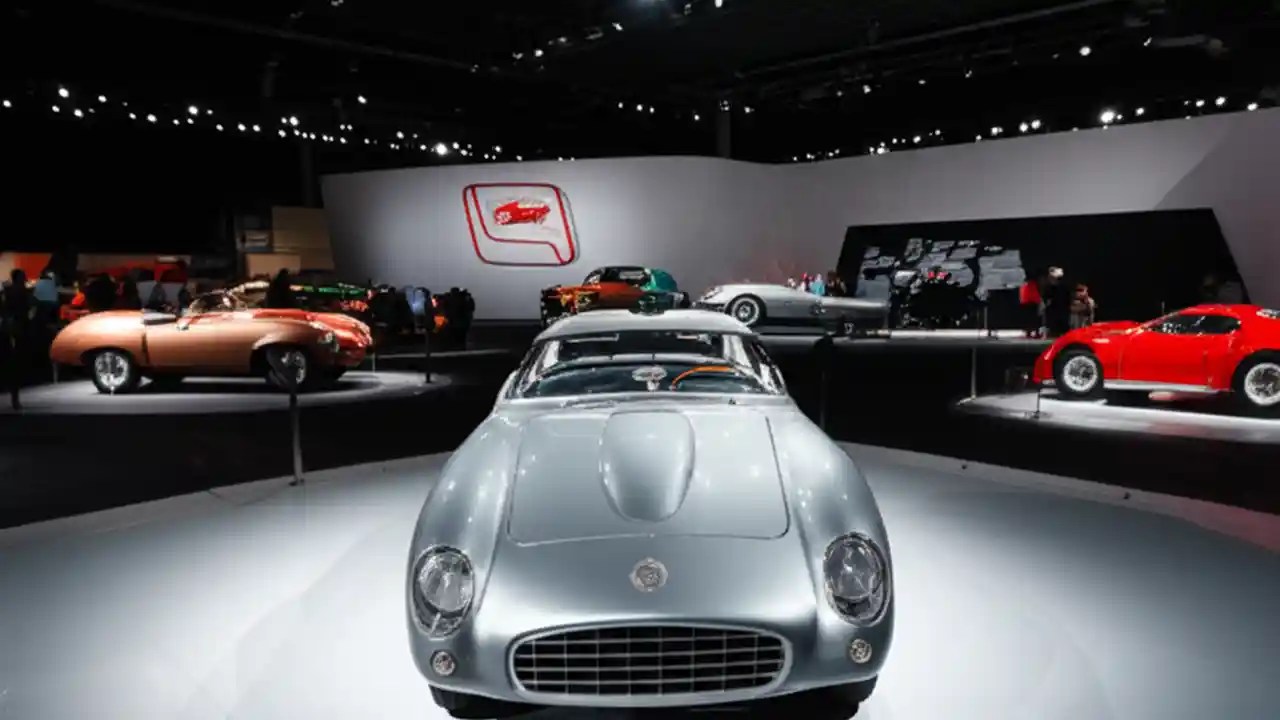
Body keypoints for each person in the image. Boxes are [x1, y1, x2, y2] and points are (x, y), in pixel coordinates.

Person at [1, 269, 34, 410]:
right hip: (18, 329)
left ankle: (14, 397)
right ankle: (15, 398)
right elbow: (31, 306)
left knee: (10, 363)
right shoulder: (23, 291)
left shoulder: (7, 291)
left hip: (9, 329)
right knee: (15, 364)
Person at [1043, 267, 1071, 338]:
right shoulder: (1048, 288)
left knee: (1064, 331)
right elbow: (1046, 300)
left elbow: (1067, 299)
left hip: (1062, 313)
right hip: (1053, 314)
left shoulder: (1064, 288)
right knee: (1054, 333)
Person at [1018, 272, 1044, 338]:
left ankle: (1029, 332)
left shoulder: (1024, 284)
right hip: (1031, 303)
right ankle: (1034, 333)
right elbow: (1035, 293)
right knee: (1033, 319)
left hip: (1027, 302)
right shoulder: (1032, 284)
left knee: (1028, 318)